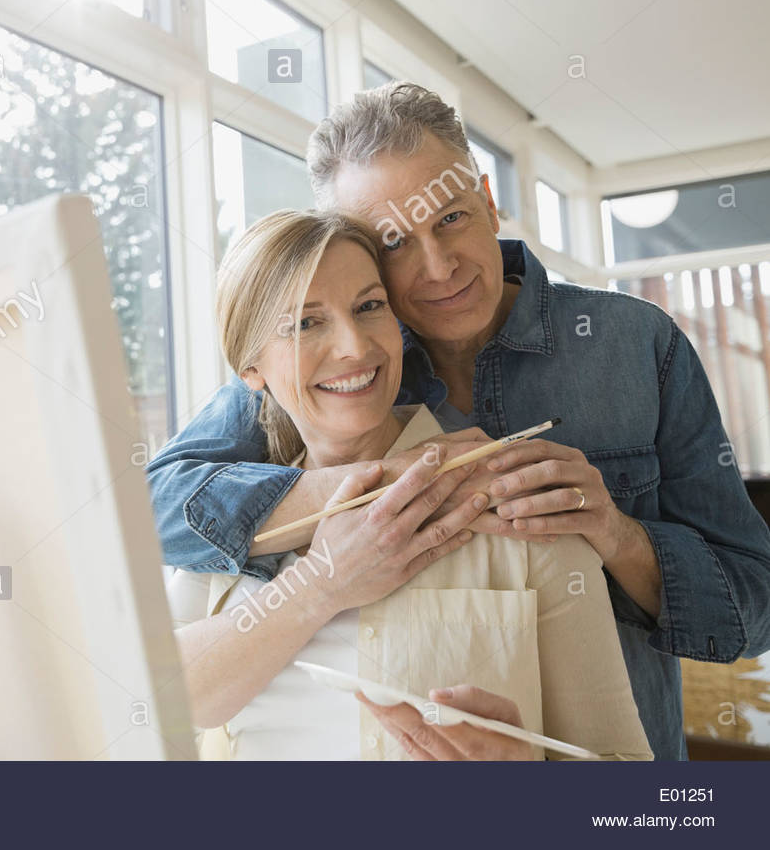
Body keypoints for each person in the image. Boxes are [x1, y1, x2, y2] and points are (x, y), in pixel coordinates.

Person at [148, 82, 770, 760]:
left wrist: (615, 535)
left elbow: (755, 609)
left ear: (488, 198)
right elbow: (153, 504)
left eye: (450, 218)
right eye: (392, 242)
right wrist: (383, 488)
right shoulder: (335, 368)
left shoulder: (636, 343)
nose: (439, 267)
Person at [168, 209, 651, 760]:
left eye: (369, 307)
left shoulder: (511, 501)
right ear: (249, 367)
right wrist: (322, 586)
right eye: (305, 322)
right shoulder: (223, 529)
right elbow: (152, 703)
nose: (354, 346)